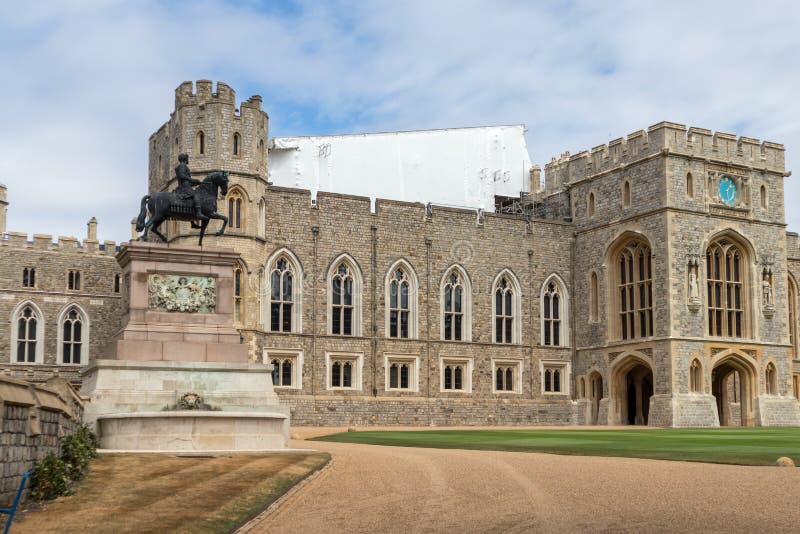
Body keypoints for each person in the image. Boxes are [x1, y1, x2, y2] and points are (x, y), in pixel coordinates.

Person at [174, 153, 207, 221]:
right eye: (187, 159)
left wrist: (195, 183)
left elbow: (185, 180)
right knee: (196, 195)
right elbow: (182, 176)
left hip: (185, 185)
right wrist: (192, 180)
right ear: (185, 159)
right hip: (184, 187)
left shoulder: (182, 166)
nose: (188, 160)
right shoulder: (182, 165)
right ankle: (198, 213)